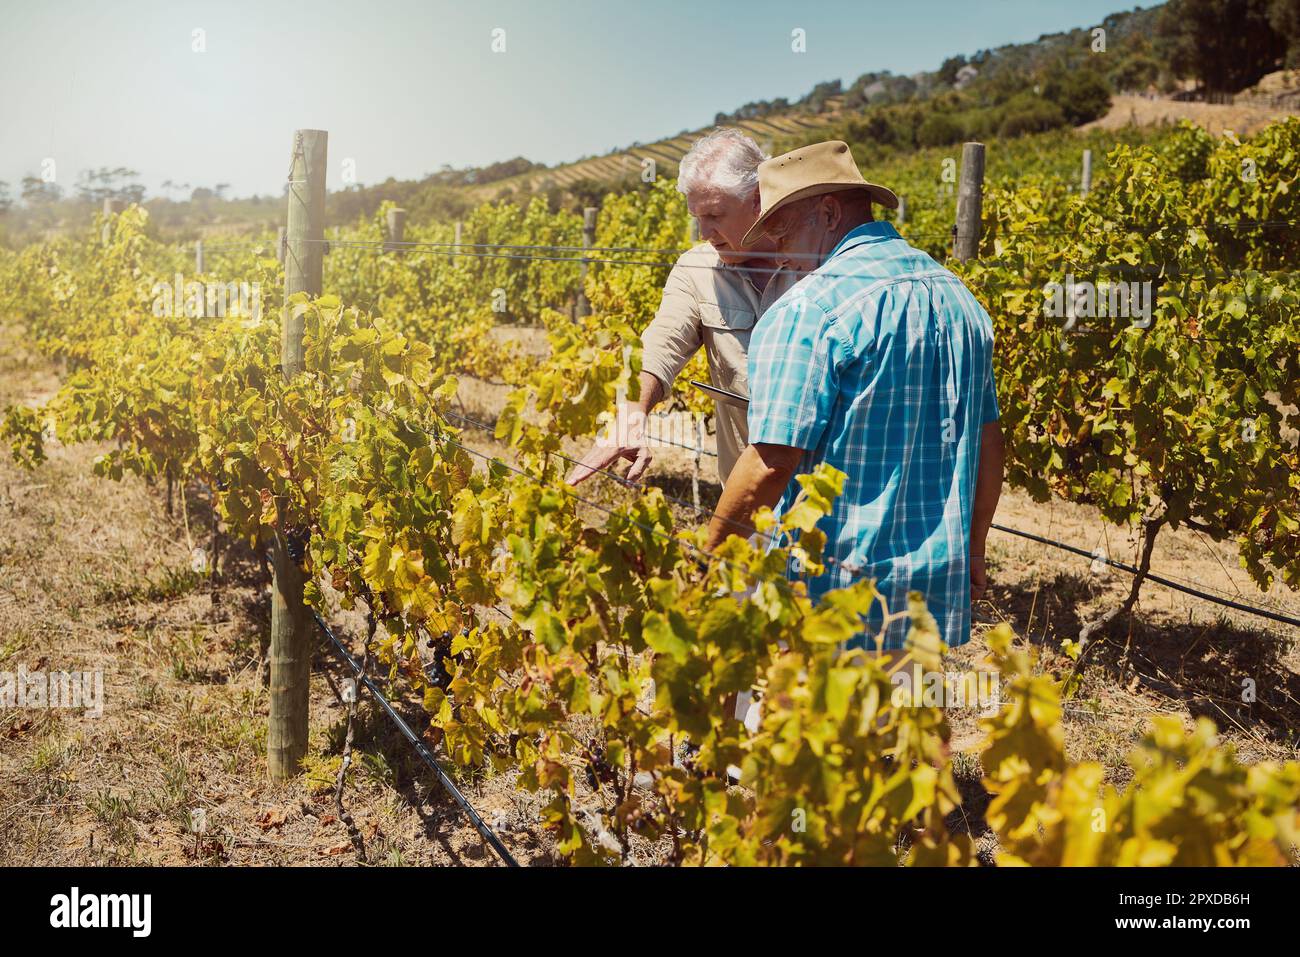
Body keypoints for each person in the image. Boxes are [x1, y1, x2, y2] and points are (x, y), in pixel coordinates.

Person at [705, 140, 1004, 653]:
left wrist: (709, 566)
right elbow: (988, 441)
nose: (774, 247)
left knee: (798, 731)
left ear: (827, 212)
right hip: (926, 597)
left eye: (780, 227)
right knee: (893, 729)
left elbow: (771, 461)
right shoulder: (961, 299)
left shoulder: (809, 310)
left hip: (829, 603)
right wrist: (973, 548)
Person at [565, 129, 795, 486]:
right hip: (746, 495)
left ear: (759, 199)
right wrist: (632, 416)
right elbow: (660, 346)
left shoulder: (817, 262)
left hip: (830, 490)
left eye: (715, 215)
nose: (704, 231)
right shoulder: (697, 268)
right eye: (696, 217)